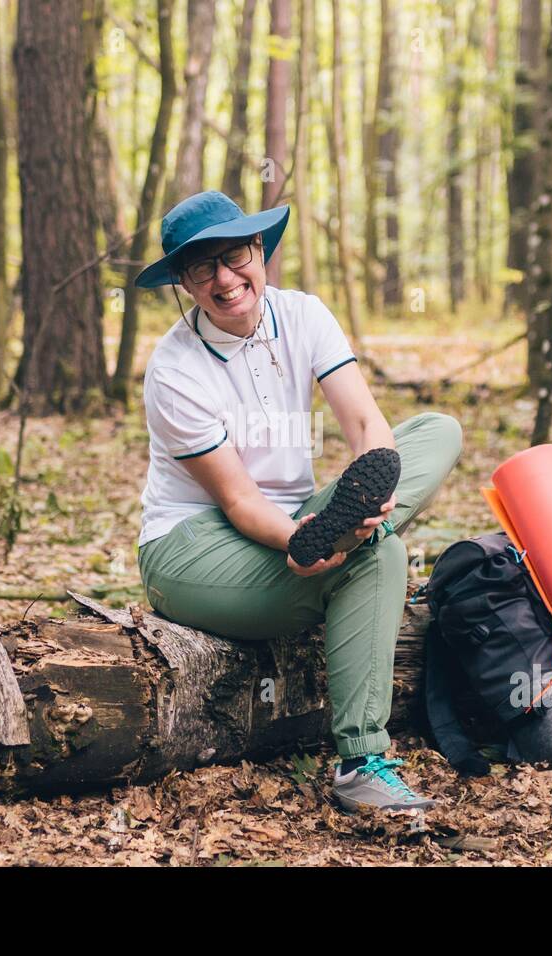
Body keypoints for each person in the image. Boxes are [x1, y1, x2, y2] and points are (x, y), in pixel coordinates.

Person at [134, 190, 462, 811]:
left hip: (298, 513)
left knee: (438, 431)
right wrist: (295, 542)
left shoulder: (304, 315)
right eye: (203, 269)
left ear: (261, 250)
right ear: (184, 281)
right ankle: (362, 763)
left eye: (235, 257)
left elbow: (368, 426)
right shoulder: (174, 370)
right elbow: (236, 500)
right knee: (383, 560)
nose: (226, 280)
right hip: (193, 546)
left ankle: (349, 533)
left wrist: (375, 483)